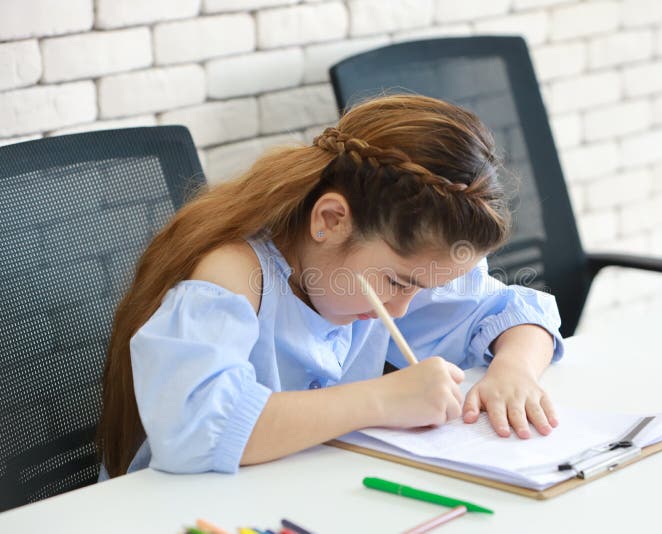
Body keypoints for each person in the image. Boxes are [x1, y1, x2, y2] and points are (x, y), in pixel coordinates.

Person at [96, 94, 564, 479]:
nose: (403, 309)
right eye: (400, 283)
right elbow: (197, 431)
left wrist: (514, 371)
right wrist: (382, 398)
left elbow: (514, 310)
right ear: (331, 220)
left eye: (421, 288)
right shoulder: (232, 275)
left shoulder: (385, 271)